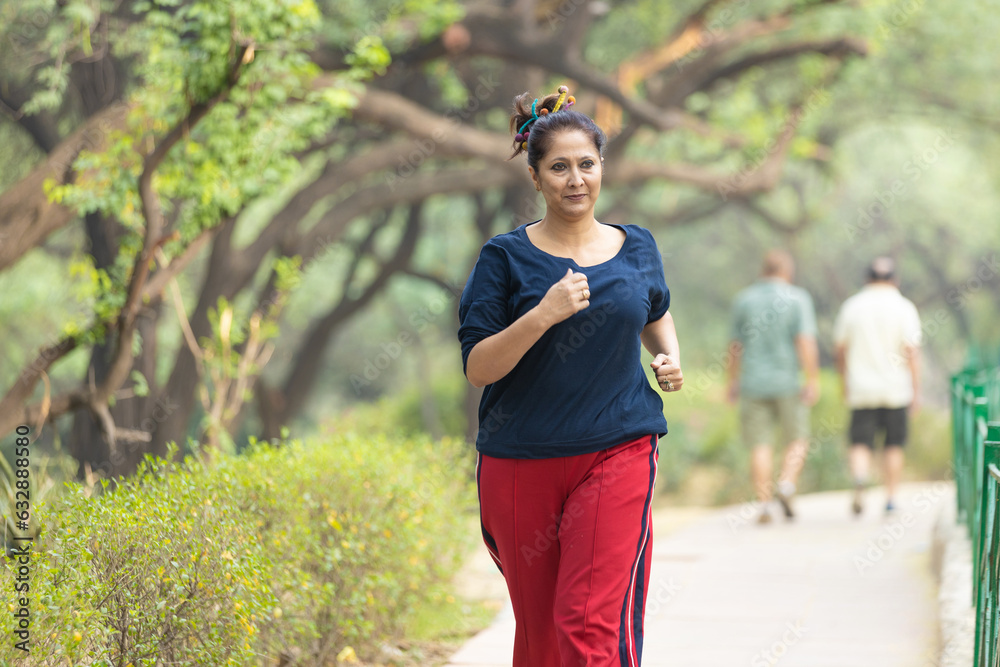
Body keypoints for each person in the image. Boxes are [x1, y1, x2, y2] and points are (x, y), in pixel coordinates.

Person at [457, 85, 682, 667]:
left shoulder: (637, 247)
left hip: (617, 450)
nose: (575, 179)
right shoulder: (504, 259)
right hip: (518, 462)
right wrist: (543, 314)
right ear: (535, 177)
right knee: (540, 642)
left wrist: (667, 358)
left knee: (585, 626)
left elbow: (655, 312)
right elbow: (479, 366)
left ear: (603, 166)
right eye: (559, 167)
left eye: (586, 164)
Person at [727, 249, 819, 524]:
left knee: (760, 444)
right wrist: (812, 378)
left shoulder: (744, 299)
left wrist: (732, 381)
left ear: (763, 270)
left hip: (753, 382)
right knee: (798, 439)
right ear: (787, 272)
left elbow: (735, 347)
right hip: (788, 381)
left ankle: (764, 504)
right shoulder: (798, 298)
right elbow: (805, 341)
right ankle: (787, 484)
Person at [833, 256, 921, 516]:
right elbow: (911, 352)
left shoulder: (852, 307)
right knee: (894, 443)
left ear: (866, 278)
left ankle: (860, 478)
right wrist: (917, 390)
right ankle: (891, 497)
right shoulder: (904, 307)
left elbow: (840, 348)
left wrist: (844, 380)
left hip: (861, 387)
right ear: (895, 279)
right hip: (896, 389)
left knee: (860, 441)